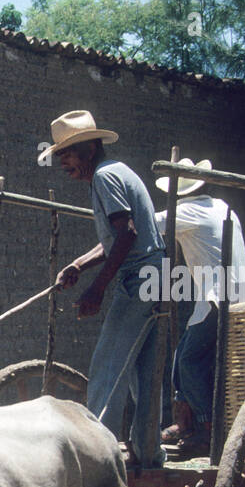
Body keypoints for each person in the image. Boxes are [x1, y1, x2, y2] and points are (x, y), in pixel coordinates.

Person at [47, 111, 167, 469]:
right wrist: (79, 266)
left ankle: (97, 459)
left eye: (69, 152)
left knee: (108, 366)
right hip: (155, 275)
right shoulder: (114, 172)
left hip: (140, 276)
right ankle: (149, 455)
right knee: (145, 374)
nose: (64, 161)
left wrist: (97, 289)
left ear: (93, 146)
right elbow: (121, 235)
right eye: (59, 155)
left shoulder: (103, 176)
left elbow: (127, 234)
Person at [154, 158, 245, 457]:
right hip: (228, 292)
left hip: (218, 295)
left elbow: (150, 223)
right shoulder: (222, 206)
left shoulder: (188, 211)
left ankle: (207, 431)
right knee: (183, 357)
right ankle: (185, 423)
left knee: (190, 361)